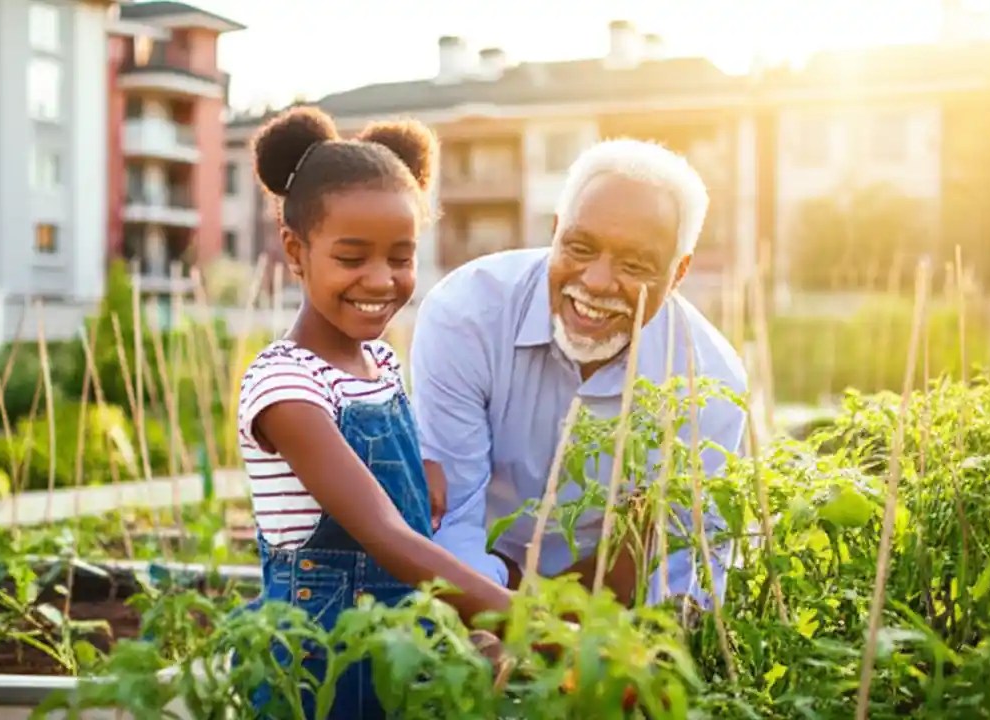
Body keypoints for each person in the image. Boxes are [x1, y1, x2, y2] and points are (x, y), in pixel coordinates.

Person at [235, 106, 512, 718]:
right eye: (352, 257)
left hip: (397, 651)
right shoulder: (285, 384)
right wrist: (516, 618)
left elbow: (408, 514)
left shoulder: (381, 366)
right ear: (295, 249)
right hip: (321, 669)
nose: (381, 279)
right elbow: (383, 532)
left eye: (401, 256)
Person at [410, 138, 748, 608]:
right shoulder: (467, 315)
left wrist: (625, 653)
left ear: (679, 272)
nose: (595, 281)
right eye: (580, 247)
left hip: (607, 599)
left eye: (634, 265)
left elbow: (681, 567)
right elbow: (454, 517)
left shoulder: (707, 380)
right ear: (555, 231)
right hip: (477, 582)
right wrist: (501, 623)